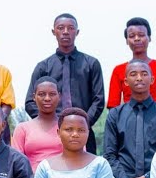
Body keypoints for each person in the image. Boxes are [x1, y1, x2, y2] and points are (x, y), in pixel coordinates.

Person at [24, 14, 105, 154]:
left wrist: (81, 124)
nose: (66, 32)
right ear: (54, 31)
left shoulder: (91, 64)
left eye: (71, 28)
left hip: (83, 132)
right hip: (49, 134)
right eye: (61, 28)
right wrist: (51, 123)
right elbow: (30, 102)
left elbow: (98, 100)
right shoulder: (43, 67)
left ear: (77, 32)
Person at [107, 18, 156, 108]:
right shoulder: (119, 70)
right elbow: (113, 107)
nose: (136, 39)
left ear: (149, 38)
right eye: (132, 36)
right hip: (128, 119)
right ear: (127, 41)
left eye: (141, 35)